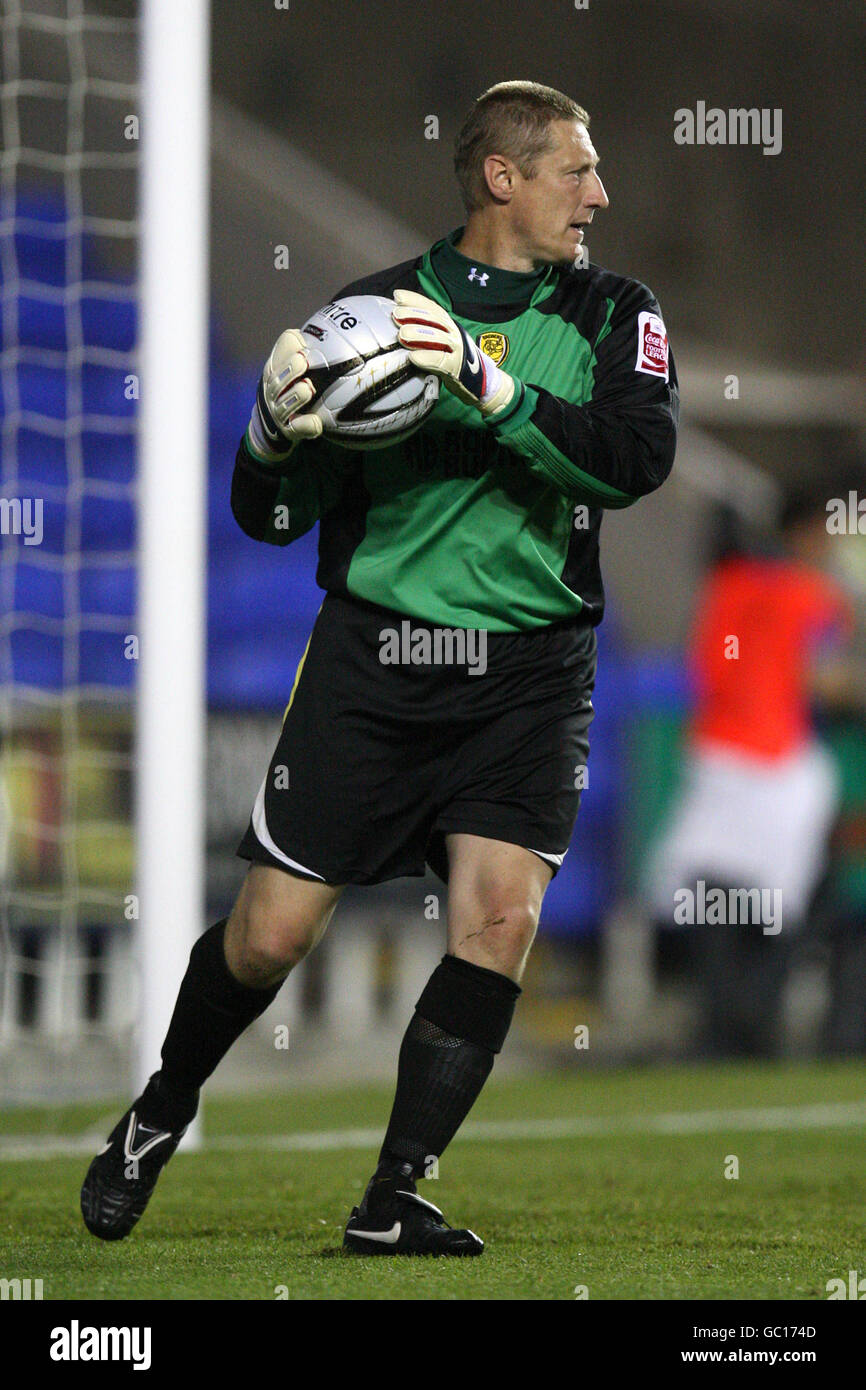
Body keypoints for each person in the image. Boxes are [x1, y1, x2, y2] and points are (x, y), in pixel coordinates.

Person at [81, 81, 678, 1255]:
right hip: (378, 664)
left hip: (530, 672)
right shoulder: (362, 319)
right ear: (502, 178)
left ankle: (392, 1194)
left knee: (498, 920)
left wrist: (488, 385)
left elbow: (634, 457)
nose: (597, 194)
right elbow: (269, 513)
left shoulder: (613, 312)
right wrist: (265, 440)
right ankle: (159, 1111)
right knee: (265, 937)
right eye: (576, 170)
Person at [647, 488, 854, 1057]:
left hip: (715, 758)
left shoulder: (724, 589)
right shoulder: (808, 592)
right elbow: (825, 680)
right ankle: (750, 1022)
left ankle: (722, 1023)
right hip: (779, 764)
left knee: (709, 889)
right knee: (780, 904)